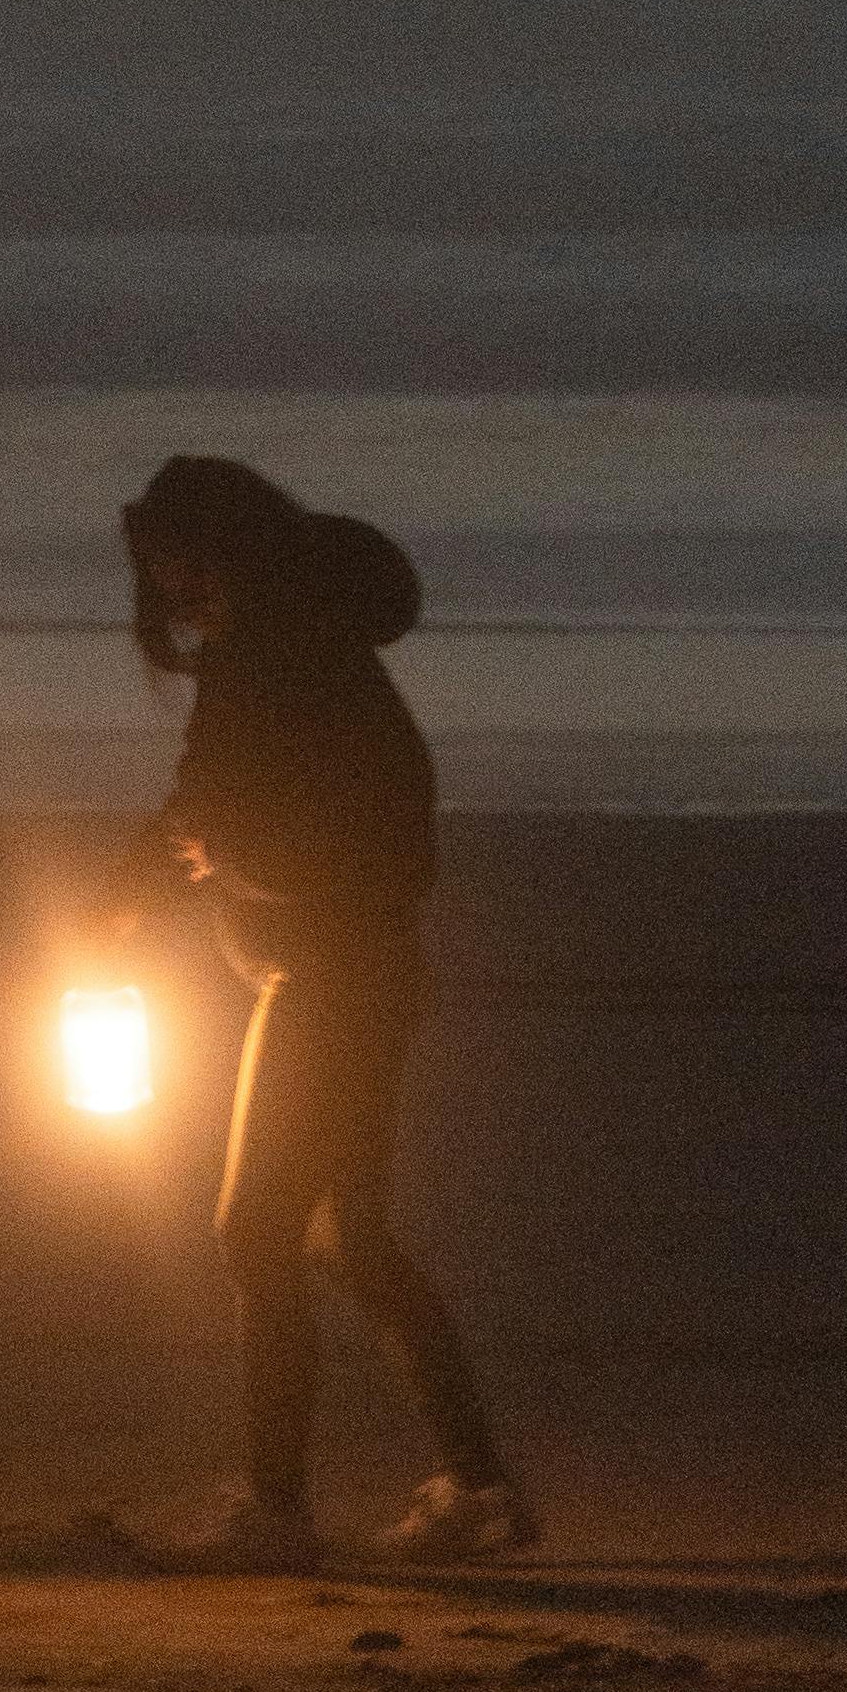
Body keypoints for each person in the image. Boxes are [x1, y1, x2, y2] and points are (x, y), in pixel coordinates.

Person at [104, 451, 536, 1571]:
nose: (173, 593)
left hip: (331, 976)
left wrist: (208, 867)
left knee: (254, 1229)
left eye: (184, 564)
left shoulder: (285, 661)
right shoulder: (286, 656)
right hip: (342, 972)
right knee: (349, 1238)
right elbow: (213, 802)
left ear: (234, 548)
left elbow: (369, 845)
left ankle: (276, 1508)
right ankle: (478, 1488)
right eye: (158, 575)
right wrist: (164, 877)